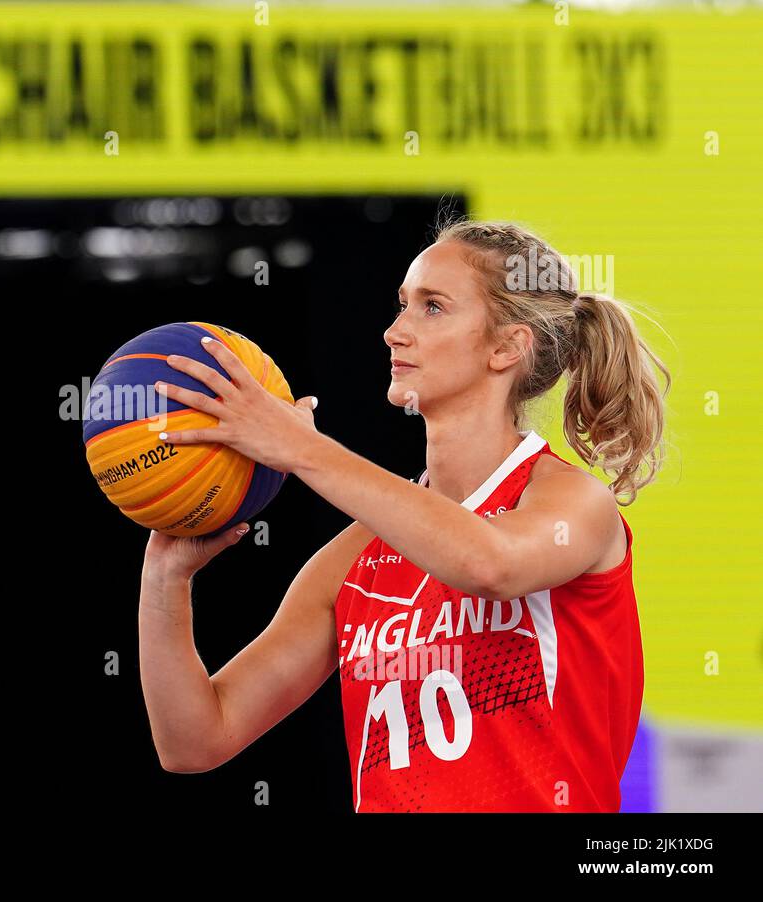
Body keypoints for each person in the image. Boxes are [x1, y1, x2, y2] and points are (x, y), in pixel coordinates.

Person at [139, 218, 670, 812]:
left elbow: (488, 563)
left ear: (507, 346)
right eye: (402, 306)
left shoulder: (573, 505)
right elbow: (195, 741)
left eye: (433, 307)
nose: (395, 331)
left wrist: (301, 449)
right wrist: (166, 579)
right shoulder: (353, 557)